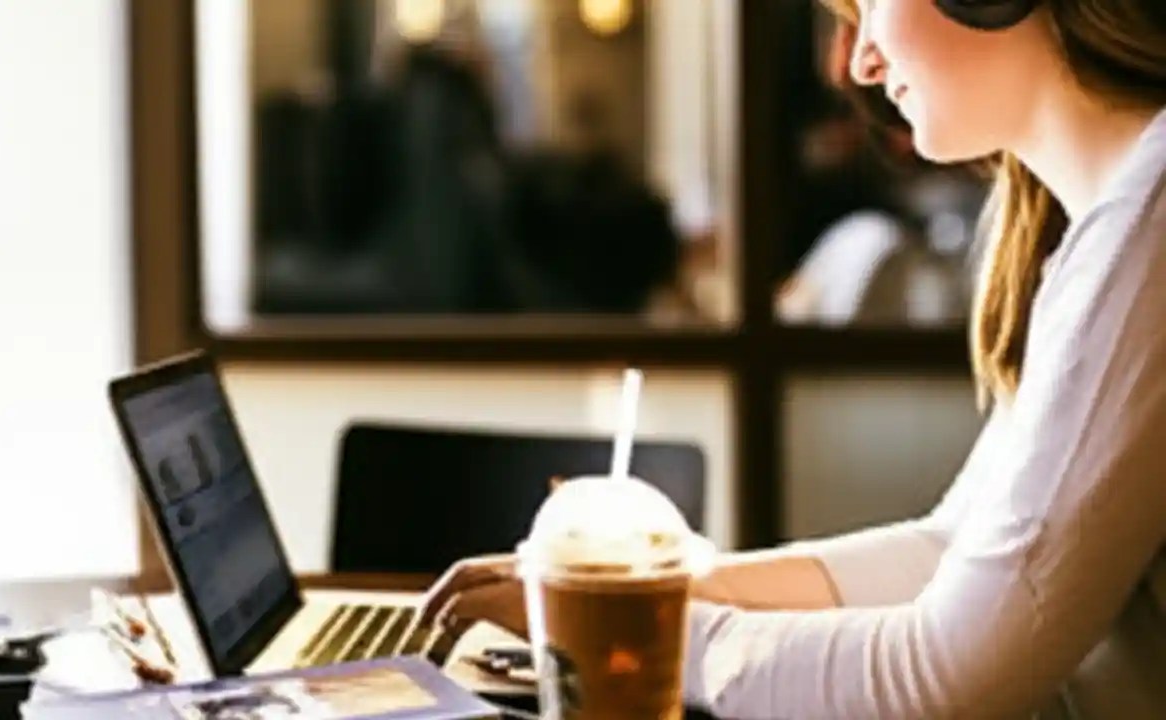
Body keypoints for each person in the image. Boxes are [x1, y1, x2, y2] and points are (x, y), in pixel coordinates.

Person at [419, 0, 1166, 716]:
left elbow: (945, 678)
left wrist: (623, 630)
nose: (862, 63)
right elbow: (953, 551)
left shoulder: (1150, 224)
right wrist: (667, 585)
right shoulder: (1108, 227)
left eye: (872, 3)